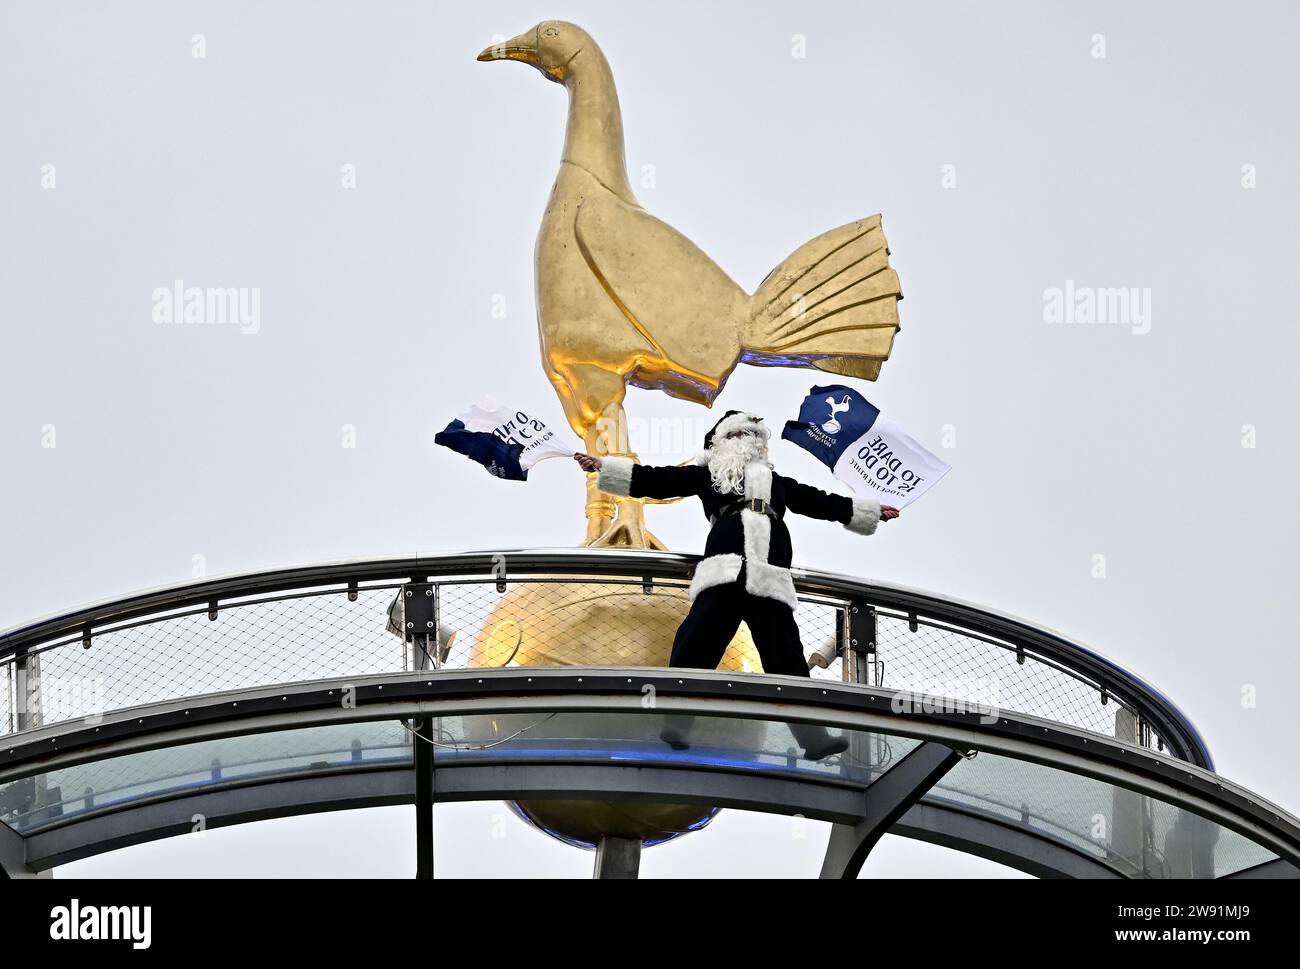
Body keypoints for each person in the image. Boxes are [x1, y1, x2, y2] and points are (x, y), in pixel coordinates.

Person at [575, 410, 899, 760]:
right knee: (696, 643)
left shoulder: (779, 484)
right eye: (736, 435)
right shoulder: (708, 476)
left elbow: (820, 501)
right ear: (720, 443)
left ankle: (813, 737)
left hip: (769, 576)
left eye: (752, 436)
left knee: (786, 657)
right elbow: (661, 480)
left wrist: (869, 511)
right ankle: (676, 723)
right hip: (724, 571)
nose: (746, 442)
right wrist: (604, 468)